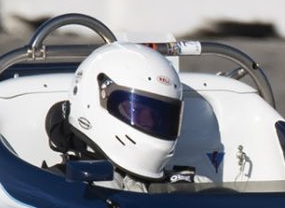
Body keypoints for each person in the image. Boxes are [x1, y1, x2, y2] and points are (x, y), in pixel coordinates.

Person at [44, 42, 186, 191]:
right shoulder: (51, 188)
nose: (149, 121)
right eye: (137, 110)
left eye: (158, 116)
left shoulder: (182, 189)